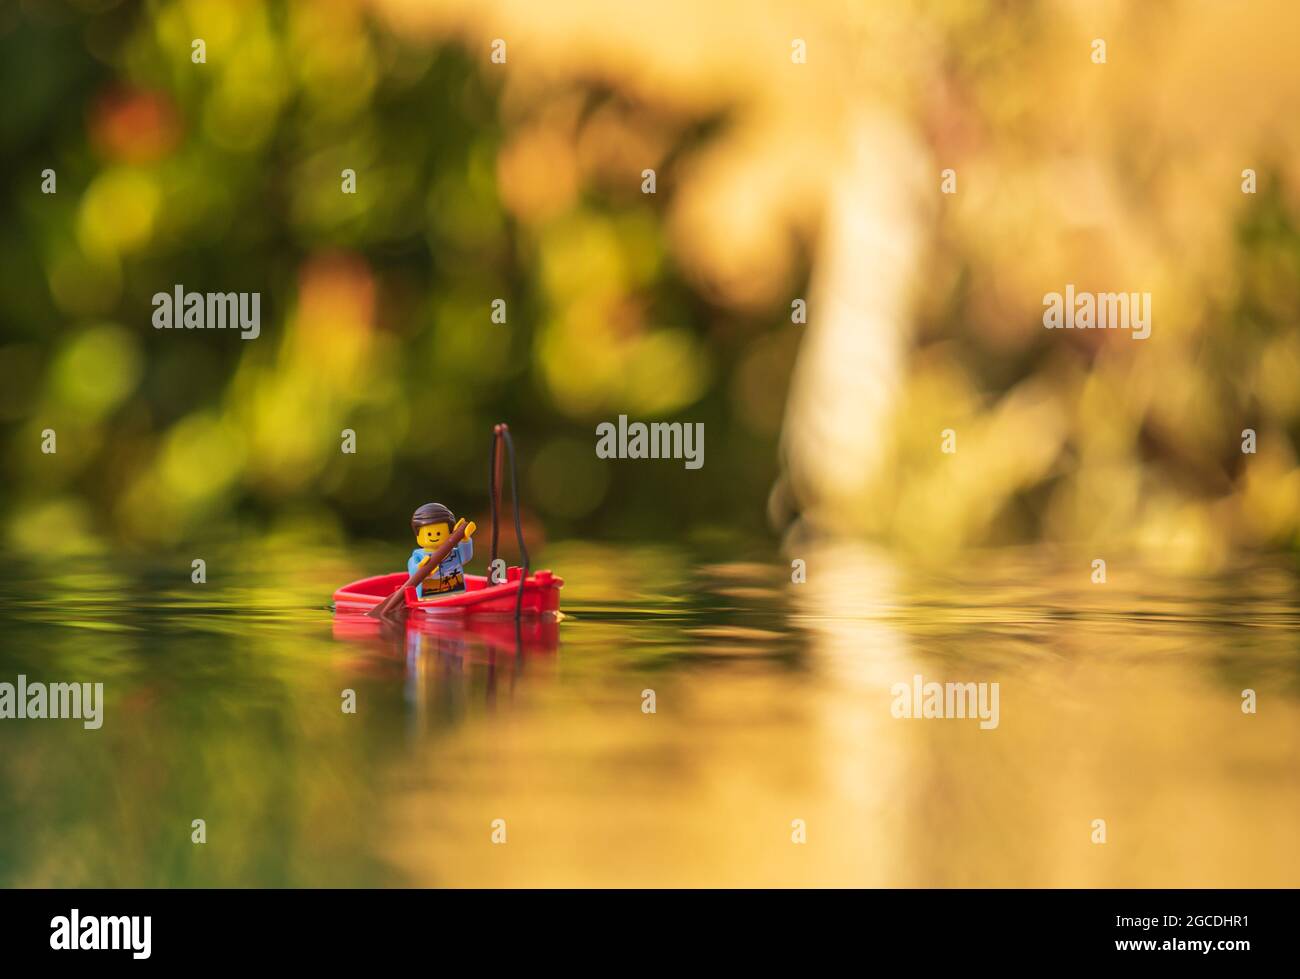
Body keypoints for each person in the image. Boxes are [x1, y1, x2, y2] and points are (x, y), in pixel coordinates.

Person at [407, 503, 476, 599]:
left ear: (450, 532)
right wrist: (420, 568)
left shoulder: (452, 553)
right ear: (417, 536)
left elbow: (466, 557)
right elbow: (413, 573)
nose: (434, 536)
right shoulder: (417, 557)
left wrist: (464, 540)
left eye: (439, 533)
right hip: (428, 599)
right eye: (429, 534)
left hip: (455, 596)